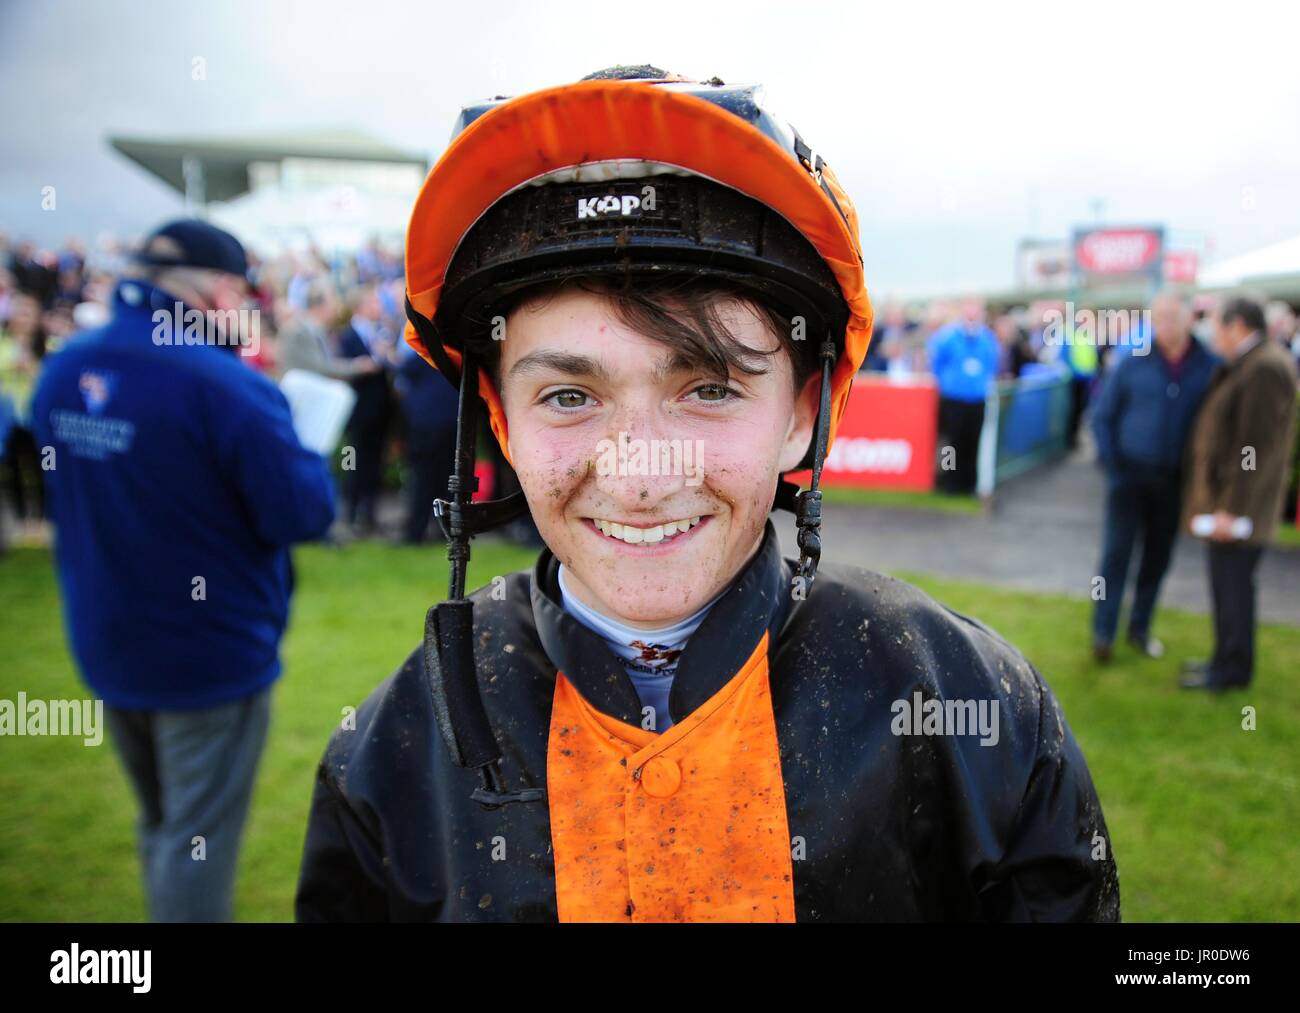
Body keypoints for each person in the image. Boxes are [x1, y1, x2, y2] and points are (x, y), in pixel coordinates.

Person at [295, 67, 1118, 923]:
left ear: (803, 416)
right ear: (502, 422)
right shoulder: (390, 750)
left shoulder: (973, 711)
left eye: (711, 389)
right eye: (569, 396)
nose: (642, 476)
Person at [31, 219, 336, 921]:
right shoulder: (225, 386)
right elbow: (302, 514)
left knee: (163, 824)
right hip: (208, 650)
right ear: (220, 291)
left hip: (106, 634)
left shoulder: (65, 367)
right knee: (196, 841)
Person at [1088, 290, 1217, 662]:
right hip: (1129, 475)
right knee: (1116, 555)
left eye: (1172, 318)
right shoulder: (1134, 360)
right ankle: (1103, 632)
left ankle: (1139, 628)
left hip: (1175, 479)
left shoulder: (1207, 365)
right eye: (1159, 318)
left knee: (1157, 558)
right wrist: (1112, 464)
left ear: (1189, 318)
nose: (1165, 326)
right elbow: (1103, 414)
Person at [1180, 294, 1298, 691]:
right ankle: (1223, 661)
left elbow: (1254, 448)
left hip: (1240, 509)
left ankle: (1231, 670)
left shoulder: (1263, 367)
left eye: (1217, 326)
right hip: (1232, 505)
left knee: (1234, 588)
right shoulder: (1253, 362)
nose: (1213, 335)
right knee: (1226, 586)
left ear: (1237, 326)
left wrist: (1232, 509)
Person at [335, 284, 393, 534]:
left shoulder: (380, 334)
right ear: (360, 307)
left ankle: (369, 514)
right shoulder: (347, 336)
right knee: (354, 463)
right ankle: (350, 514)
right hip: (358, 411)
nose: (378, 307)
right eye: (373, 303)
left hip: (379, 411)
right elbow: (340, 367)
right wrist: (360, 366)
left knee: (374, 462)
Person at [927, 297, 999, 493]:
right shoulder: (947, 337)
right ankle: (950, 481)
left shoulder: (986, 338)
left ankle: (969, 482)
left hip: (977, 398)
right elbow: (936, 363)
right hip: (953, 399)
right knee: (952, 443)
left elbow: (992, 364)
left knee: (972, 441)